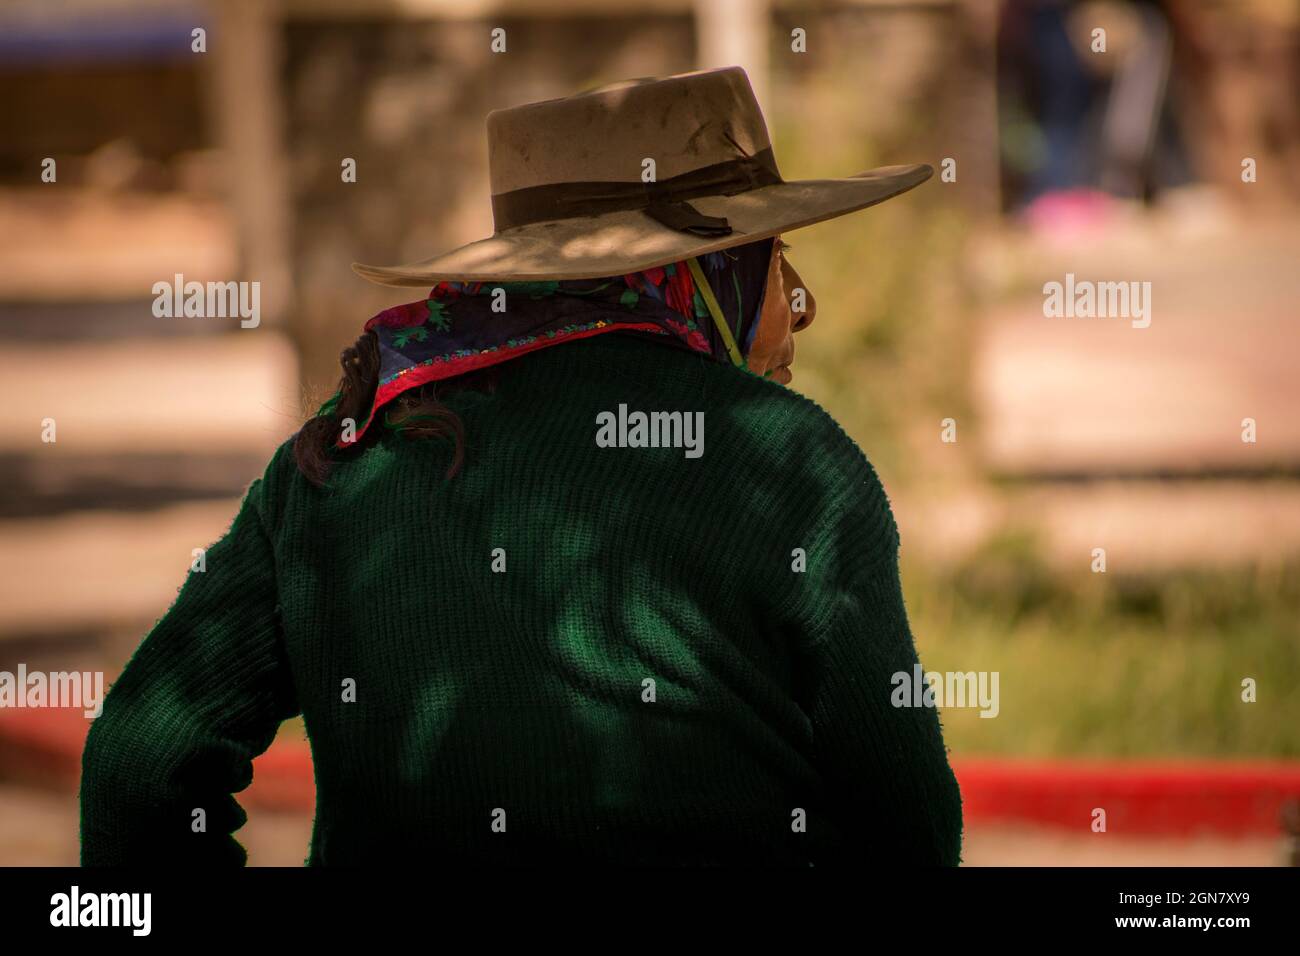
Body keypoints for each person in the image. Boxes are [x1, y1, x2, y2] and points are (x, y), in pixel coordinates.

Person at [80, 66, 963, 866]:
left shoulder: (343, 454)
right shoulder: (793, 462)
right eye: (779, 271)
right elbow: (908, 830)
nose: (794, 317)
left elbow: (137, 770)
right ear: (709, 275)